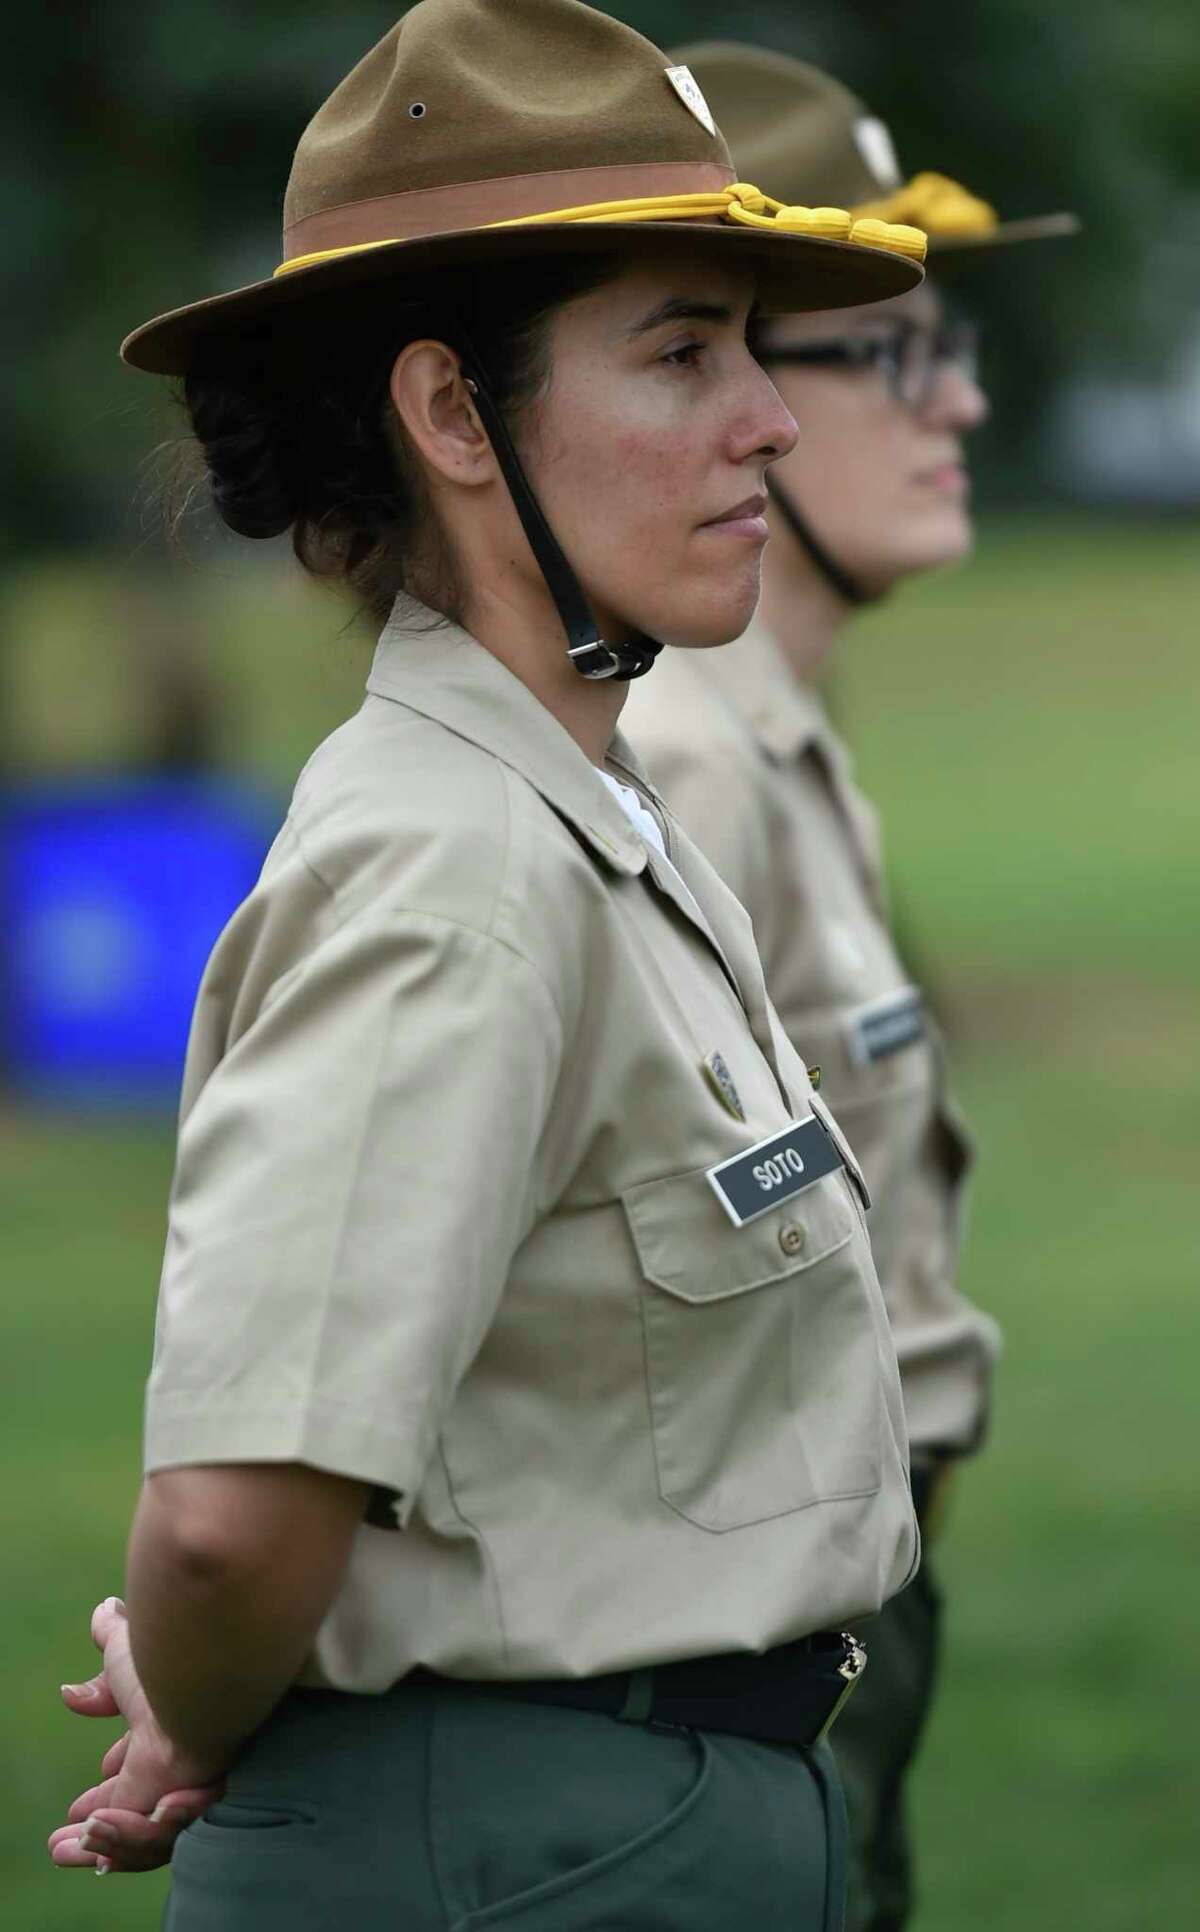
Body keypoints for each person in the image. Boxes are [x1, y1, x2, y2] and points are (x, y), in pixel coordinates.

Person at [45, 5, 931, 1927]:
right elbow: (225, 1519)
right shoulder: (450, 866)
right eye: (683, 354)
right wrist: (197, 1717)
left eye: (753, 352)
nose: (768, 417)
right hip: (514, 1867)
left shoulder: (571, 815)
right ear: (454, 419)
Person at [624, 42, 1077, 1932]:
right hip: (721, 1657)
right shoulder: (689, 763)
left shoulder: (777, 738)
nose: (957, 397)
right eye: (890, 348)